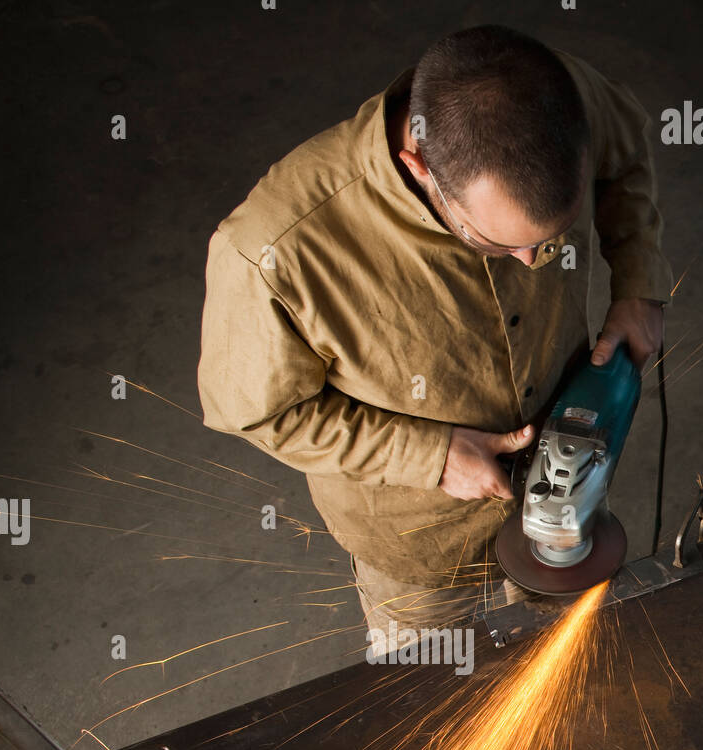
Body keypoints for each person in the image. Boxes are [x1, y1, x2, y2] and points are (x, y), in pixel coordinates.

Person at [198, 25, 672, 653]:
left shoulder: (556, 96)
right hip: (417, 545)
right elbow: (258, 414)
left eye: (551, 234)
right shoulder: (275, 250)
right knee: (435, 713)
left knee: (571, 671)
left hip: (566, 488)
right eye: (499, 243)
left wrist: (637, 282)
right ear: (419, 166)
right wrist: (429, 455)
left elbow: (627, 150)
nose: (533, 261)